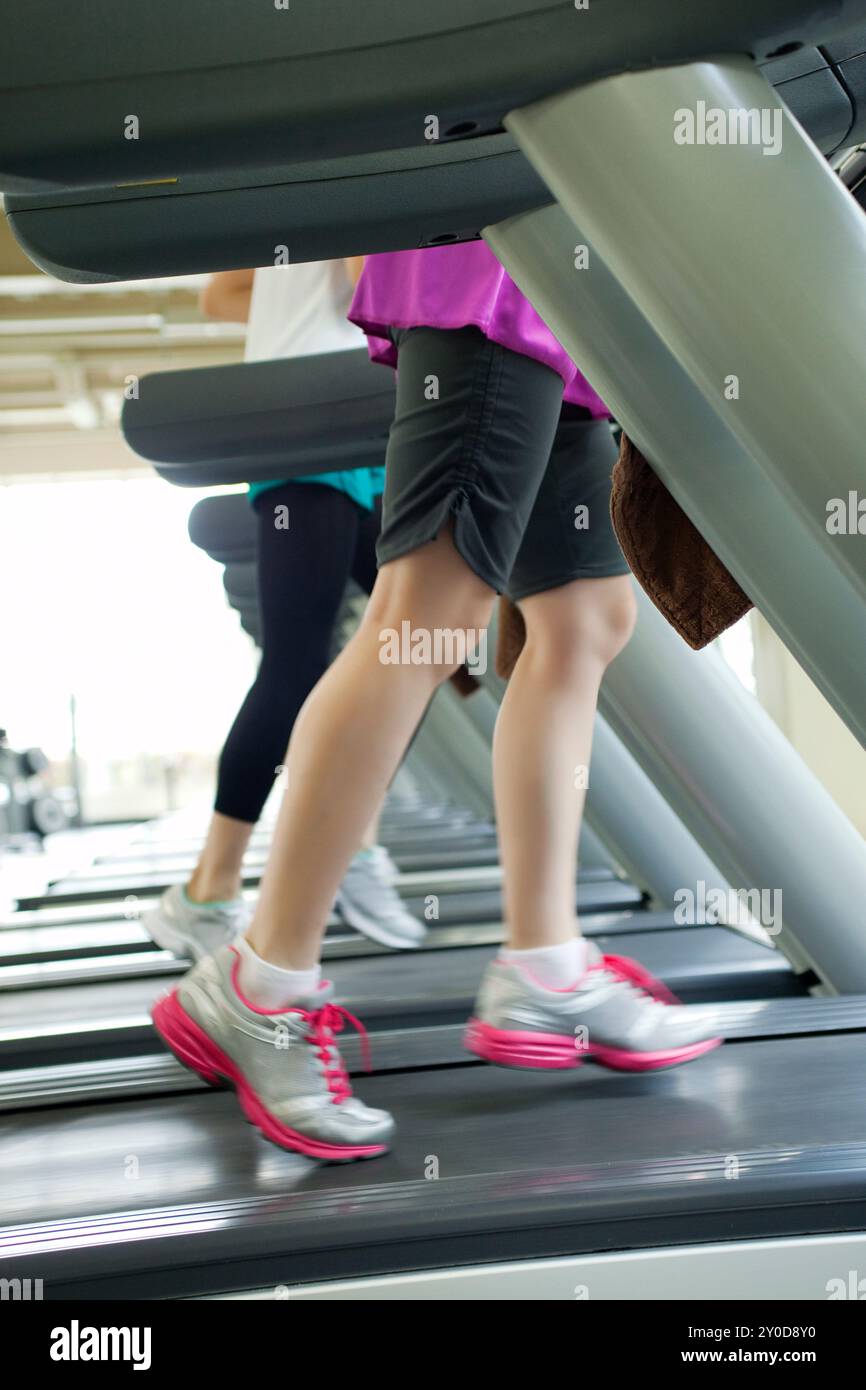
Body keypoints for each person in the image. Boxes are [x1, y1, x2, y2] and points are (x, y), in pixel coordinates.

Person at [152, 242, 722, 1162]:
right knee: (427, 614)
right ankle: (260, 986)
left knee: (585, 615)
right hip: (489, 274)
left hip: (556, 309)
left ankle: (545, 964)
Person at [144, 258, 426, 960]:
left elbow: (219, 294)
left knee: (419, 647)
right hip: (317, 417)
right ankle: (206, 892)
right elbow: (378, 275)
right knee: (298, 665)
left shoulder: (294, 193)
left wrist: (298, 317)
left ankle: (354, 845)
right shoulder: (359, 164)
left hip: (355, 418)